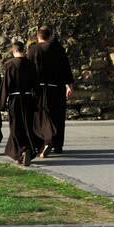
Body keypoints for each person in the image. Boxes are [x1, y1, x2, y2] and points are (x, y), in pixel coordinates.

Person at [27, 25, 74, 157]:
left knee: (40, 116)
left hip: (39, 88)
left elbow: (28, 70)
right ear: (50, 36)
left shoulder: (33, 50)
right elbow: (66, 68)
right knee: (57, 116)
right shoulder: (58, 50)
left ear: (38, 36)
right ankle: (57, 144)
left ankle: (42, 142)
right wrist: (69, 85)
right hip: (56, 88)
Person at [0, 39, 40, 166]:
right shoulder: (31, 64)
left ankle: (20, 152)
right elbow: (36, 85)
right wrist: (37, 101)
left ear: (14, 51)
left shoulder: (10, 64)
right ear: (24, 50)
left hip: (15, 100)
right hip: (28, 99)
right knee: (27, 126)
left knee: (15, 127)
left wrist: (1, 103)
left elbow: (6, 85)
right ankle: (27, 150)